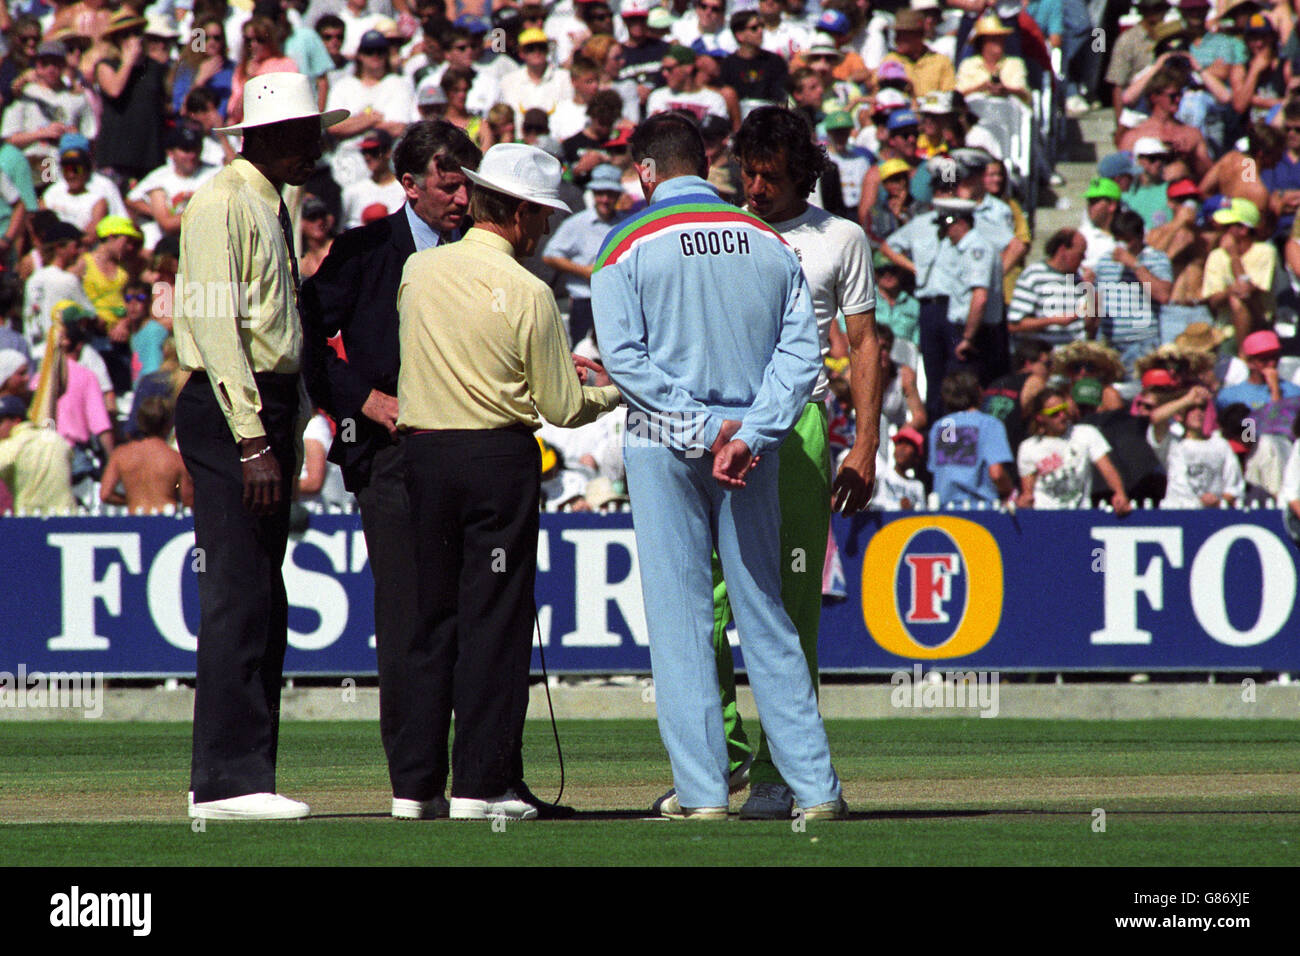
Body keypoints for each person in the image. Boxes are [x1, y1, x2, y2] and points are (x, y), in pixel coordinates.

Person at [303, 121, 558, 821]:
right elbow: (303, 340)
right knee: (416, 623)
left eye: (468, 183)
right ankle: (415, 788)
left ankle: (491, 777)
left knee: (492, 622)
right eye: (448, 183)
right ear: (406, 185)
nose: (460, 195)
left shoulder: (497, 256)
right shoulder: (363, 253)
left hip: (478, 453)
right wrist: (363, 399)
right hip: (392, 460)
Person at [592, 111, 843, 820]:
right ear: (706, 164)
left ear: (646, 170)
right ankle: (816, 790)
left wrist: (701, 429)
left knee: (682, 623)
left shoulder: (623, 244)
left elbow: (626, 359)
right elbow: (804, 357)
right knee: (766, 614)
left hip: (665, 442)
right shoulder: (768, 240)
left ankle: (705, 795)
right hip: (751, 448)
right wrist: (747, 432)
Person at [397, 142, 620, 821]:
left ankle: (415, 788)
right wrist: (612, 392)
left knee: (429, 623)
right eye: (543, 216)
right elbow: (561, 407)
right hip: (495, 461)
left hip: (425, 458)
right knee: (493, 624)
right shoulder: (528, 289)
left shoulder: (418, 268)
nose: (547, 229)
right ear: (519, 212)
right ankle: (481, 785)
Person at [174, 72, 348, 822]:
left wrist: (284, 418)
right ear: (269, 138)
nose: (317, 146)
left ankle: (241, 773)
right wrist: (252, 437)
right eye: (307, 133)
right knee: (240, 593)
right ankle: (226, 782)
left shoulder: (270, 200)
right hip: (231, 406)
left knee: (259, 594)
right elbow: (217, 328)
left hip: (258, 404)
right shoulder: (222, 202)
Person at [542, 163, 624, 348]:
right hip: (585, 303)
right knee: (583, 356)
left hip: (618, 300)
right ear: (593, 194)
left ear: (618, 195)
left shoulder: (625, 224)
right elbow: (550, 255)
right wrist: (585, 271)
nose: (604, 199)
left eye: (610, 194)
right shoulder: (578, 223)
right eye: (599, 193)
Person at [1016, 386, 1132, 512]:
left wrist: (1119, 493)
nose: (1062, 416)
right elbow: (1028, 490)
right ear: (1040, 417)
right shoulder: (1028, 447)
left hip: (1080, 513)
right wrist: (1025, 501)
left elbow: (1107, 468)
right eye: (1055, 413)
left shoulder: (1087, 433)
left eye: (1063, 409)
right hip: (1045, 515)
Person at [928, 368, 1014, 506]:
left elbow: (938, 472)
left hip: (944, 512)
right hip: (981, 510)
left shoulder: (940, 427)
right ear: (979, 392)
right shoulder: (990, 424)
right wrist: (1010, 490)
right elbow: (996, 473)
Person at [99, 394, 192, 511]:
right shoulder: (175, 458)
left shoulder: (120, 455)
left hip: (136, 516)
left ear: (140, 422)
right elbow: (188, 499)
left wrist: (130, 500)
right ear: (168, 424)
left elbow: (105, 494)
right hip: (167, 520)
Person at [0, 394, 76, 513]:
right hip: (67, 518)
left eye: (0, 422)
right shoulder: (56, 438)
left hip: (30, 521)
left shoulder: (11, 444)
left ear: (16, 421)